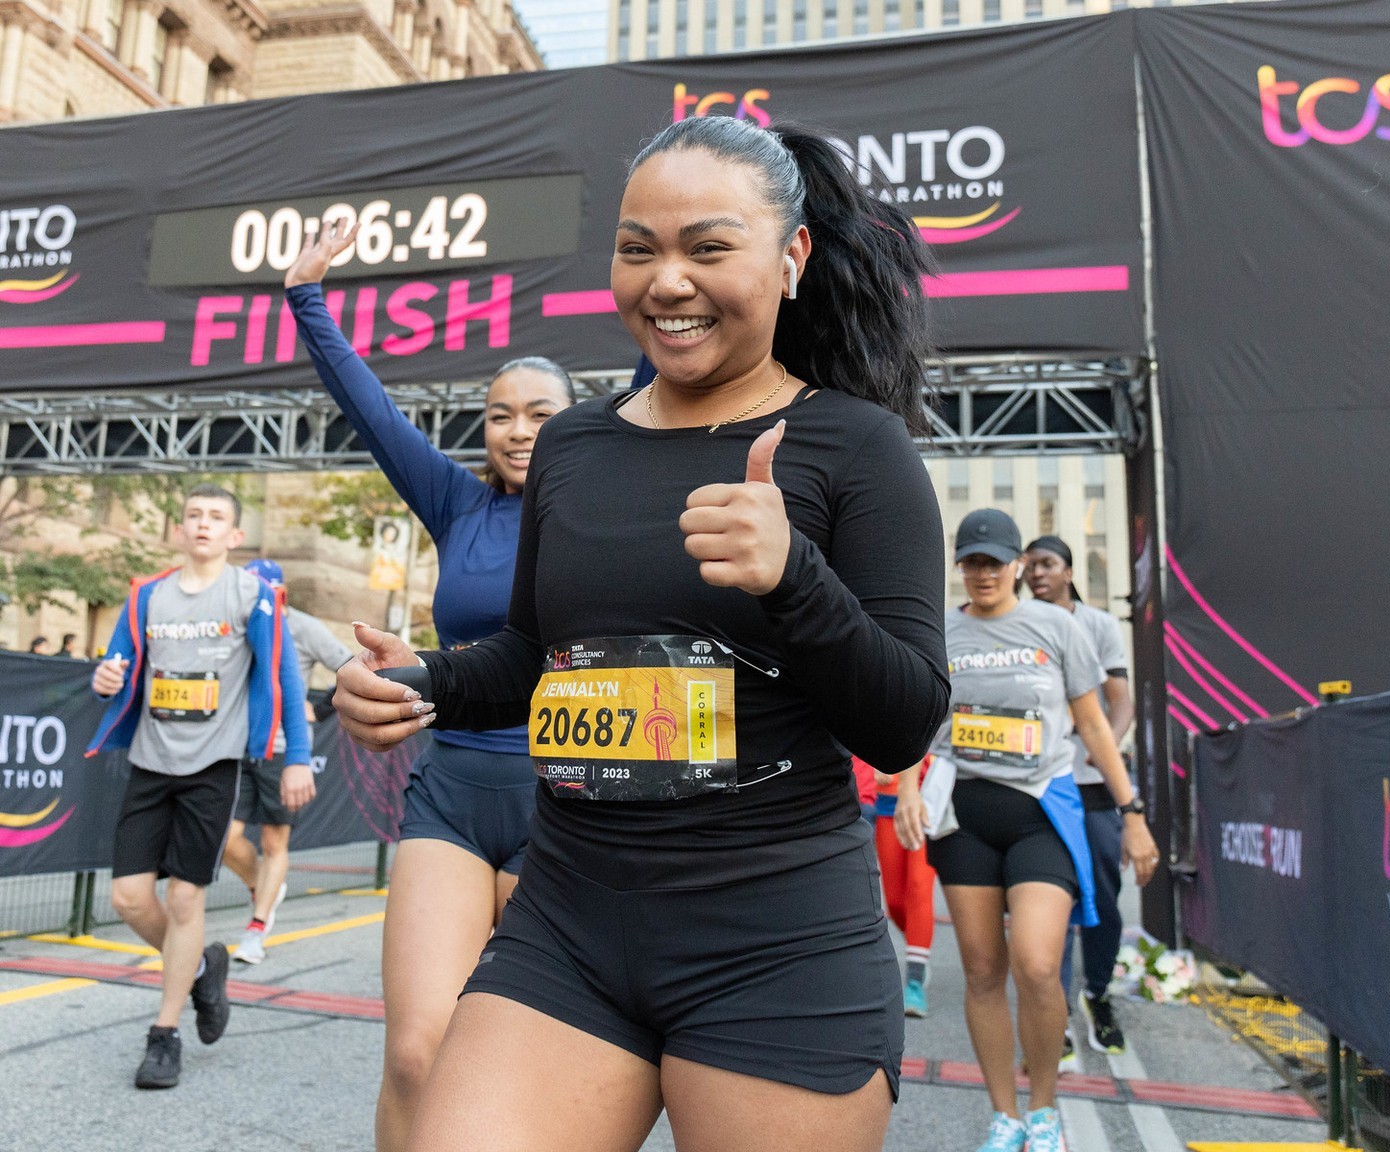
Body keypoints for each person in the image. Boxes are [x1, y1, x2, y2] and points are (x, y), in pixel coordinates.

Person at [330, 115, 948, 1152]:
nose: (667, 283)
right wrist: (421, 680)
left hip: (776, 944)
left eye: (708, 248)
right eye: (638, 249)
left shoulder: (856, 447)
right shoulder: (572, 446)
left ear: (790, 257)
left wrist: (795, 577)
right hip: (567, 928)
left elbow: (902, 722)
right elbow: (535, 659)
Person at [282, 235, 577, 1152]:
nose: (517, 429)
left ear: (579, 421)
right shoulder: (456, 505)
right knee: (415, 1054)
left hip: (565, 806)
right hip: (450, 795)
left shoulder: (604, 503)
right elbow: (370, 412)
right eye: (498, 414)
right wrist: (307, 301)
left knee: (529, 1068)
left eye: (538, 413)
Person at [895, 508, 1158, 1152]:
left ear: (1017, 564)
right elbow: (912, 719)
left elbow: (1093, 726)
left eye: (994, 561)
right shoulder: (941, 632)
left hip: (1042, 808)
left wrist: (1133, 814)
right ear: (960, 567)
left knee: (1039, 964)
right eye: (972, 562)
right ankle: (1004, 1116)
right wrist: (905, 787)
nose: (983, 573)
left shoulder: (1056, 627)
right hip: (965, 816)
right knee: (984, 970)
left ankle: (1044, 1110)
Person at [84, 483, 312, 1090]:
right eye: (193, 515)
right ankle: (204, 968)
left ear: (235, 536)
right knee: (130, 899)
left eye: (217, 517)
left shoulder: (253, 596)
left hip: (214, 768)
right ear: (178, 530)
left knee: (186, 900)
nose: (203, 524)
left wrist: (298, 757)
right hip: (150, 764)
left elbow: (285, 679)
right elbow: (115, 669)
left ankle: (165, 1036)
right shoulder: (146, 597)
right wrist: (104, 679)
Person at [1024, 535, 1136, 1057]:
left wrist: (1103, 749)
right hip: (1040, 786)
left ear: (1069, 571)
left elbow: (1120, 701)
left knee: (1104, 898)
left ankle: (1098, 993)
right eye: (1028, 566)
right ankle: (1057, 1012)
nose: (1036, 574)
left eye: (1047, 564)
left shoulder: (1098, 626)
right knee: (1051, 899)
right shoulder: (1017, 623)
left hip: (1092, 787)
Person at [223, 557, 354, 964]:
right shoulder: (235, 623)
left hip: (283, 748)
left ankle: (256, 929)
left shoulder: (301, 626)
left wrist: (321, 708)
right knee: (224, 837)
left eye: (260, 590)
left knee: (273, 841)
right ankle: (264, 885)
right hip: (235, 744)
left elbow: (351, 665)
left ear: (280, 594)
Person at [871, 756, 937, 1019]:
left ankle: (914, 980)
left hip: (930, 792)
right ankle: (918, 950)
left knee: (919, 888)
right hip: (888, 796)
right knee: (896, 901)